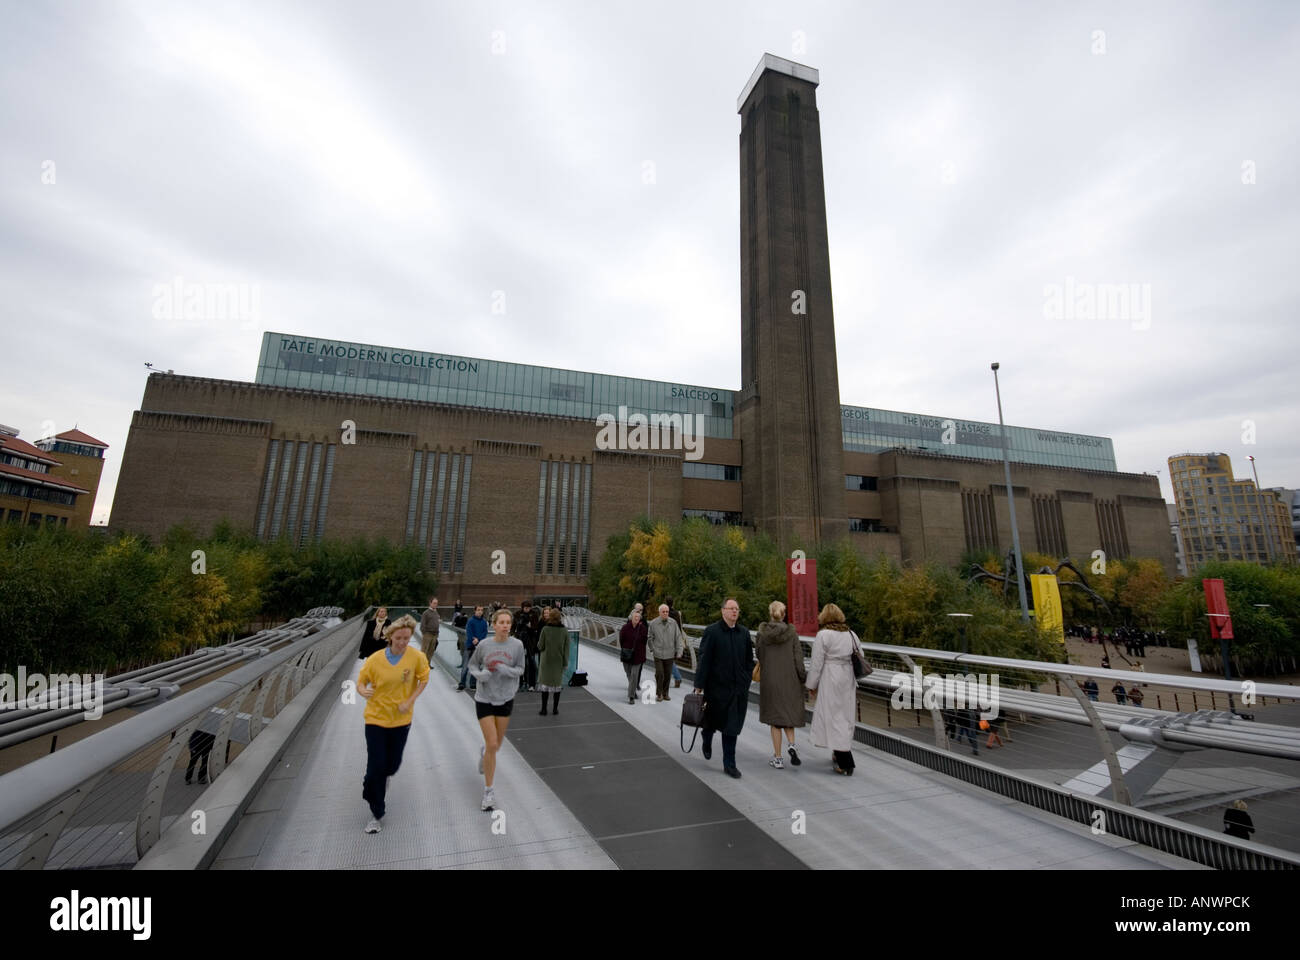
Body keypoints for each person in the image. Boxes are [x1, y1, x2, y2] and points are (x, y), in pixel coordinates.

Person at [356, 614, 430, 834]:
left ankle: (378, 781)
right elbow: (360, 682)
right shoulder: (375, 659)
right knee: (375, 769)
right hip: (375, 719)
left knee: (391, 766)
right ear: (390, 636)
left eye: (407, 638)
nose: (402, 642)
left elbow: (424, 679)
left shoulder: (416, 657)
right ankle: (376, 812)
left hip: (400, 721)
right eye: (399, 638)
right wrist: (362, 691)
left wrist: (410, 700)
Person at [468, 608, 526, 812]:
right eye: (501, 622)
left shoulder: (517, 645)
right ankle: (489, 792)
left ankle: (486, 752)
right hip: (484, 698)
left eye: (508, 622)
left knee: (495, 746)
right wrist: (480, 675)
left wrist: (505, 670)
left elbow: (521, 669)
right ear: (494, 625)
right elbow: (472, 665)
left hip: (506, 697)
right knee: (492, 742)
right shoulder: (484, 645)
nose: (505, 625)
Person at [694, 598, 754, 778]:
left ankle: (730, 764)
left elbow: (749, 661)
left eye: (737, 608)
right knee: (712, 721)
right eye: (731, 608)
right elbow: (704, 660)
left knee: (731, 727)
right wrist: (699, 684)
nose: (735, 611)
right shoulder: (712, 632)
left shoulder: (743, 633)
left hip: (737, 690)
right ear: (723, 611)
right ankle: (706, 736)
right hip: (716, 689)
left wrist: (746, 679)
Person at [807, 604, 861, 773]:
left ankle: (845, 761)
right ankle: (838, 754)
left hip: (830, 677)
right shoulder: (851, 634)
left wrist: (811, 685)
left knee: (832, 717)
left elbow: (816, 663)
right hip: (848, 677)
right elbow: (861, 654)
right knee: (844, 717)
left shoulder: (823, 635)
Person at [756, 600, 807, 769]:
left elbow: (759, 655)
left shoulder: (762, 633)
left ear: (770, 613)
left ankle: (778, 758)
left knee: (775, 720)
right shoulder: (792, 633)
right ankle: (791, 744)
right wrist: (802, 677)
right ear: (784, 614)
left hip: (770, 678)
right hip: (790, 679)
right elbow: (798, 659)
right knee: (788, 716)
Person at [647, 604, 686, 702]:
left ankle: (665, 693)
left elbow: (678, 637)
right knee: (660, 673)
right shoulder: (653, 623)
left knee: (668, 675)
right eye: (663, 612)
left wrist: (679, 651)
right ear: (659, 612)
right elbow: (649, 637)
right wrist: (652, 649)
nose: (665, 613)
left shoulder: (673, 623)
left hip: (670, 653)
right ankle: (659, 693)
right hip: (658, 653)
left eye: (667, 612)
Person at [536, 606, 570, 715]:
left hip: (546, 662)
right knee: (557, 686)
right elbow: (567, 649)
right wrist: (565, 663)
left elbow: (540, 646)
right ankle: (555, 709)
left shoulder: (545, 629)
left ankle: (544, 709)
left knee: (545, 687)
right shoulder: (564, 631)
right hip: (558, 662)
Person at [619, 608, 649, 704]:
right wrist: (626, 649)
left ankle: (631, 696)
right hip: (626, 655)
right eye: (635, 617)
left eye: (638, 617)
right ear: (631, 618)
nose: (636, 618)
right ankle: (633, 689)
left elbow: (645, 641)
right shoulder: (625, 628)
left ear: (640, 619)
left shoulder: (643, 629)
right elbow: (621, 640)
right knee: (629, 674)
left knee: (634, 675)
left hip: (638, 656)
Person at [513, 599, 541, 692]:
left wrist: (530, 627)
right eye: (525, 608)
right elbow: (513, 627)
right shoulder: (517, 614)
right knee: (519, 662)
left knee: (531, 662)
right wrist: (516, 632)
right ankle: (520, 683)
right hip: (520, 640)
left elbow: (536, 628)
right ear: (522, 608)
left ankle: (531, 684)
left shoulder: (534, 614)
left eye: (529, 608)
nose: (527, 610)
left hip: (530, 641)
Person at [459, 605, 488, 691]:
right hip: (469, 646)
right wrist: (473, 639)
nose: (480, 611)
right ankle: (462, 683)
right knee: (465, 666)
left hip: (478, 647)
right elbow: (469, 632)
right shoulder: (471, 621)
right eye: (478, 610)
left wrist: (478, 640)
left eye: (481, 610)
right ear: (475, 611)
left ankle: (472, 684)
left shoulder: (484, 622)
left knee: (476, 666)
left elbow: (484, 633)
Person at [665, 596, 686, 688]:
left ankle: (677, 677)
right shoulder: (678, 613)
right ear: (673, 603)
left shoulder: (665, 613)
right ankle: (674, 677)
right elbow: (680, 626)